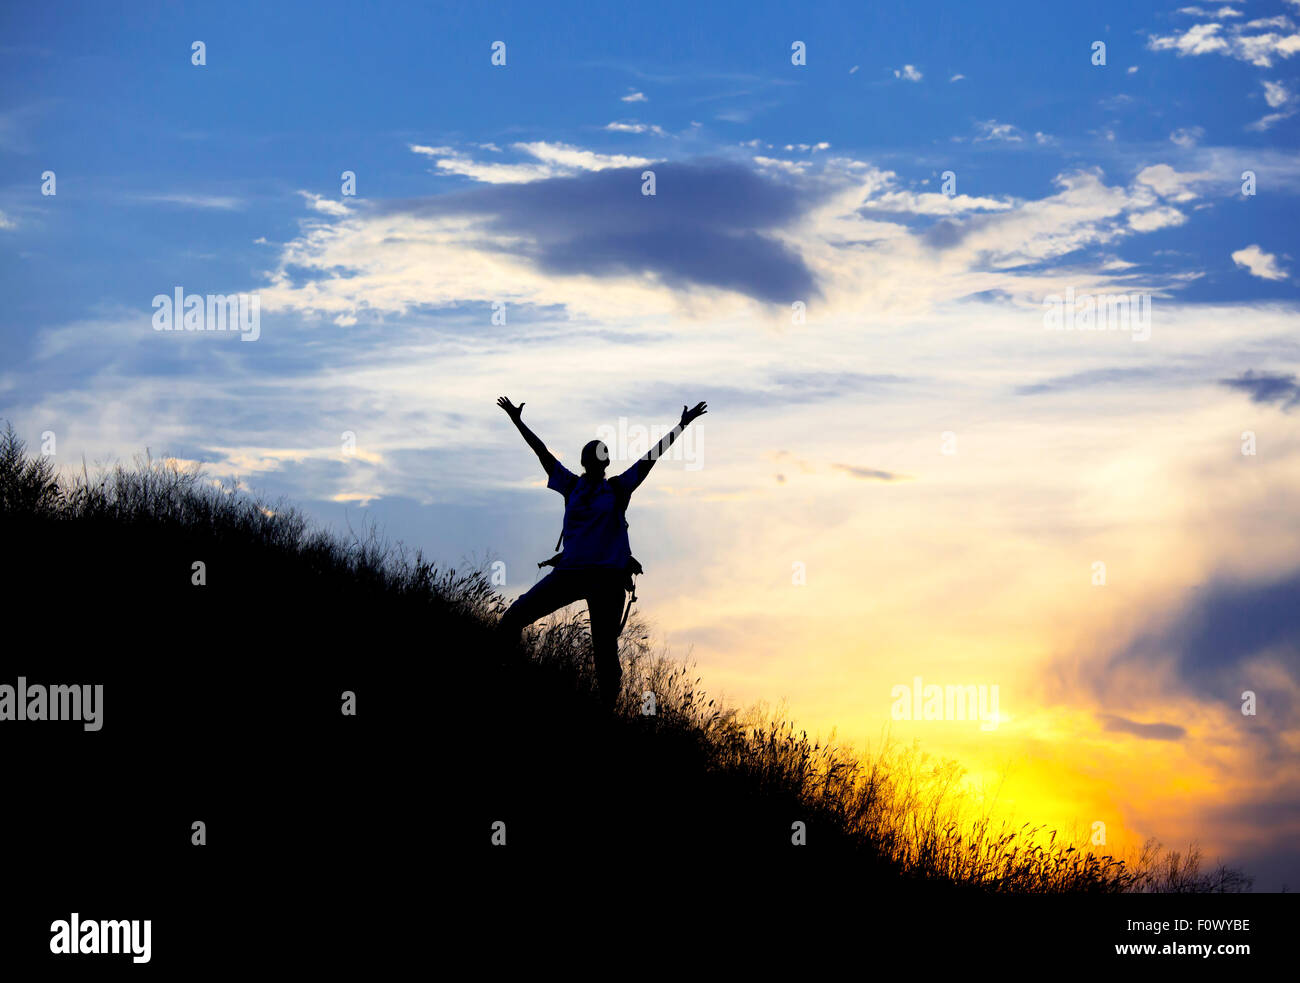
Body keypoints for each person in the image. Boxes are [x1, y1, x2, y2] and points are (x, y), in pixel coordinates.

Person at [495, 396, 707, 709]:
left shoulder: (618, 489)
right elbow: (541, 452)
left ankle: (606, 715)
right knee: (512, 619)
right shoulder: (571, 485)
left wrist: (682, 426)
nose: (595, 462)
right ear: (587, 462)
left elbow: (651, 458)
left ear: (604, 463)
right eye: (591, 458)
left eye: (598, 458)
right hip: (569, 573)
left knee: (605, 653)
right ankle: (510, 681)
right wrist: (517, 421)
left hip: (606, 580)